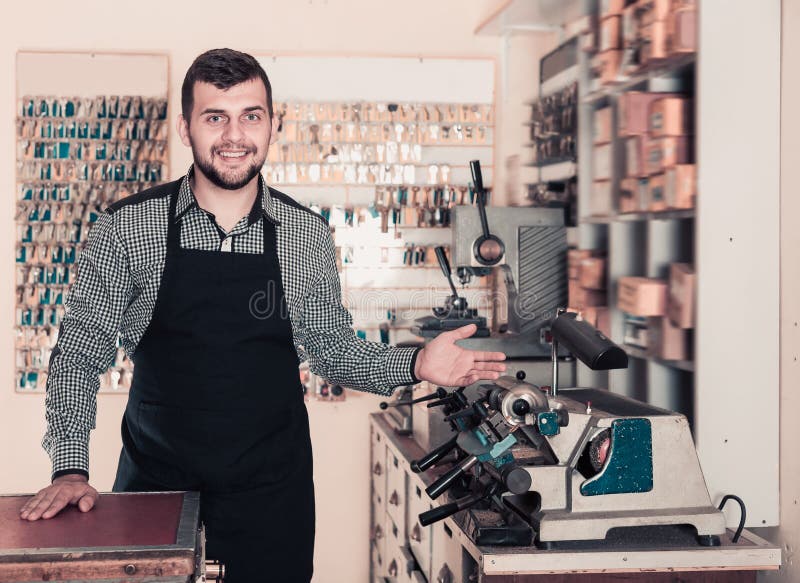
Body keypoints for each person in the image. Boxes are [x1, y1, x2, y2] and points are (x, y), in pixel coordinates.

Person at [19, 48, 506, 583]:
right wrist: (70, 466)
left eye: (250, 116)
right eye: (215, 117)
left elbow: (334, 353)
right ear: (186, 128)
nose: (234, 135)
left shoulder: (306, 235)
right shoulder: (127, 228)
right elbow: (79, 355)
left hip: (272, 499)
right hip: (158, 492)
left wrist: (416, 366)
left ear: (273, 124)